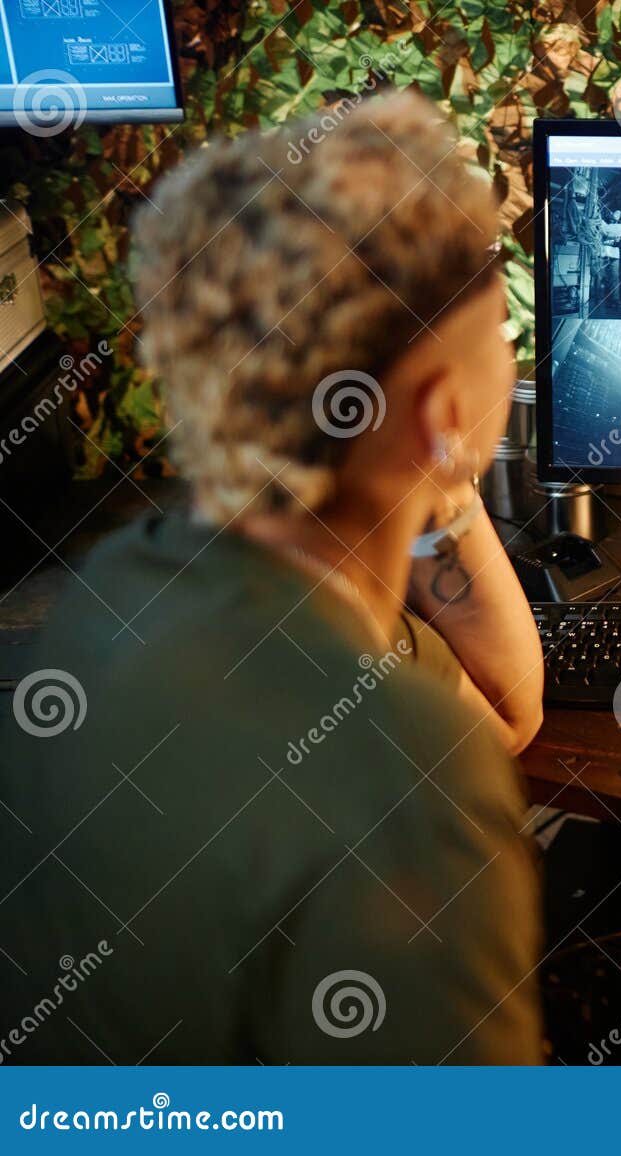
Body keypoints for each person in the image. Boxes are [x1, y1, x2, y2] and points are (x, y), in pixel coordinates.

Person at [0, 92, 550, 1063]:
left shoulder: (107, 591)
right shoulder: (399, 772)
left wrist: (437, 475)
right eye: (498, 333)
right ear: (444, 402)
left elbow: (506, 705)